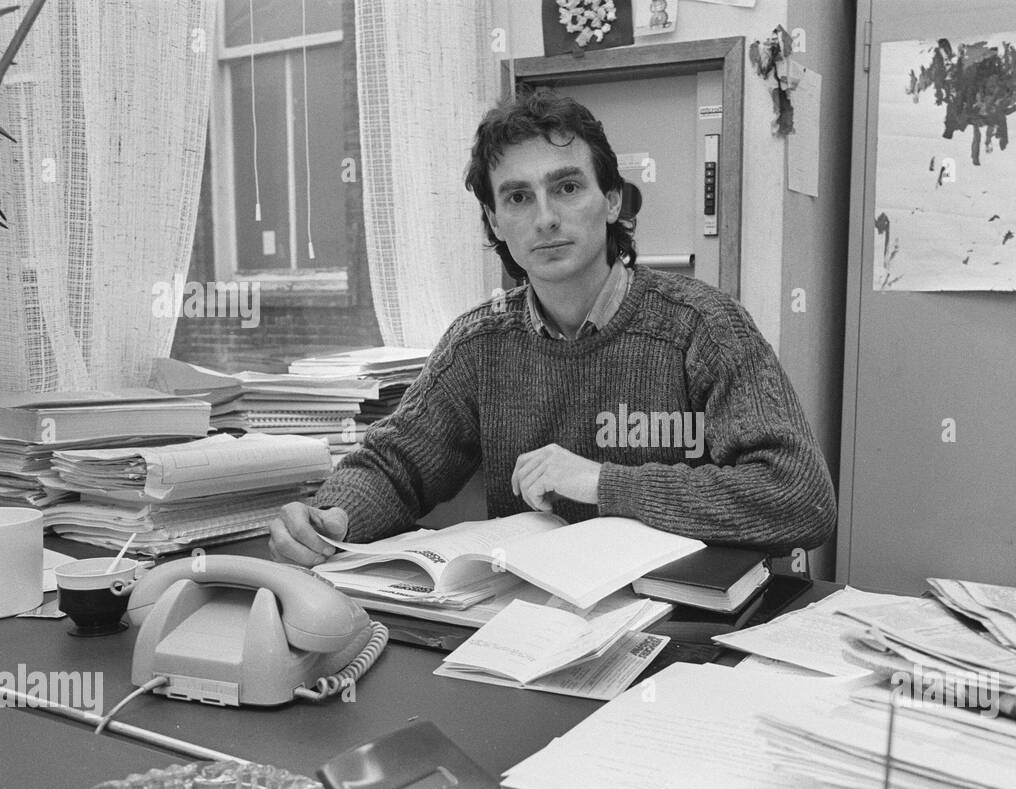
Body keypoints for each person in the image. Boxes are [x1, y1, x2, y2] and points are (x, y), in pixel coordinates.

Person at [269, 88, 836, 567]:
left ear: (612, 201)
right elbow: (395, 466)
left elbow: (800, 497)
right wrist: (336, 515)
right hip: (530, 626)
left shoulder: (704, 330)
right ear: (495, 220)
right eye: (518, 197)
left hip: (683, 630)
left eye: (567, 187)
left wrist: (603, 483)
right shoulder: (480, 344)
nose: (544, 217)